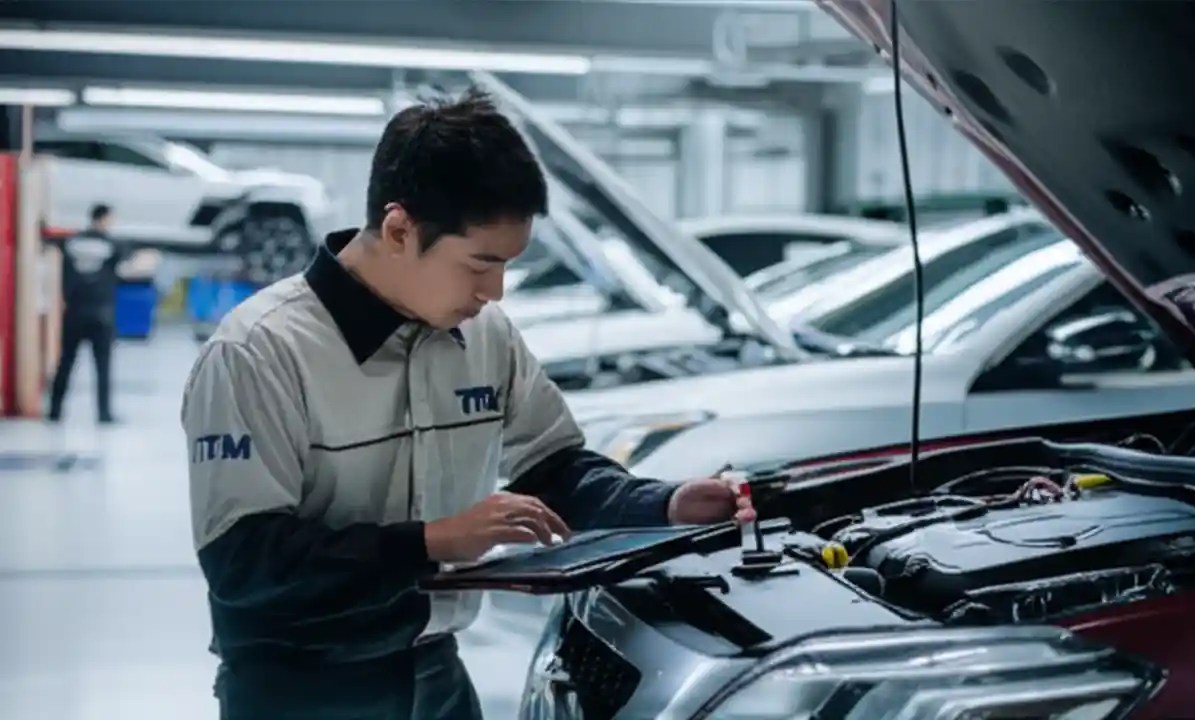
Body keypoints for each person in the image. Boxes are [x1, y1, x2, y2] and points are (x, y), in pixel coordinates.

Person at [181, 88, 755, 720]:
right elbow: (246, 563)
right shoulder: (259, 351)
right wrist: (433, 541)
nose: (496, 291)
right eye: (480, 264)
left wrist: (662, 503)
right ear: (399, 229)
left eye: (508, 265)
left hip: (437, 675)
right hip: (300, 688)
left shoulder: (485, 337)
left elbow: (556, 468)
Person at [47, 203, 128, 424]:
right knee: (102, 365)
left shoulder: (72, 242)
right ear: (104, 219)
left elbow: (53, 244)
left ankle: (54, 411)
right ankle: (104, 413)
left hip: (74, 311)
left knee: (66, 362)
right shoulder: (112, 245)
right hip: (101, 312)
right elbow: (124, 269)